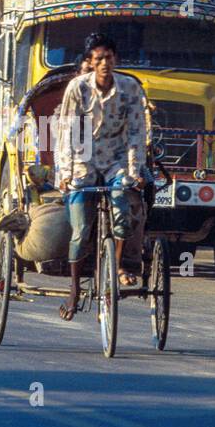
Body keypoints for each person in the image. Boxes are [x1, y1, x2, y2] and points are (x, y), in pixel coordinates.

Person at [54, 33, 148, 320]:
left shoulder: (130, 88)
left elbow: (136, 132)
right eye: (98, 59)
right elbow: (68, 132)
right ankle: (73, 290)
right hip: (84, 156)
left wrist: (134, 171)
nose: (104, 63)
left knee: (122, 212)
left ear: (115, 60)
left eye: (109, 58)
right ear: (91, 63)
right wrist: (67, 173)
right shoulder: (77, 88)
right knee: (81, 229)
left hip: (117, 158)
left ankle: (114, 272)